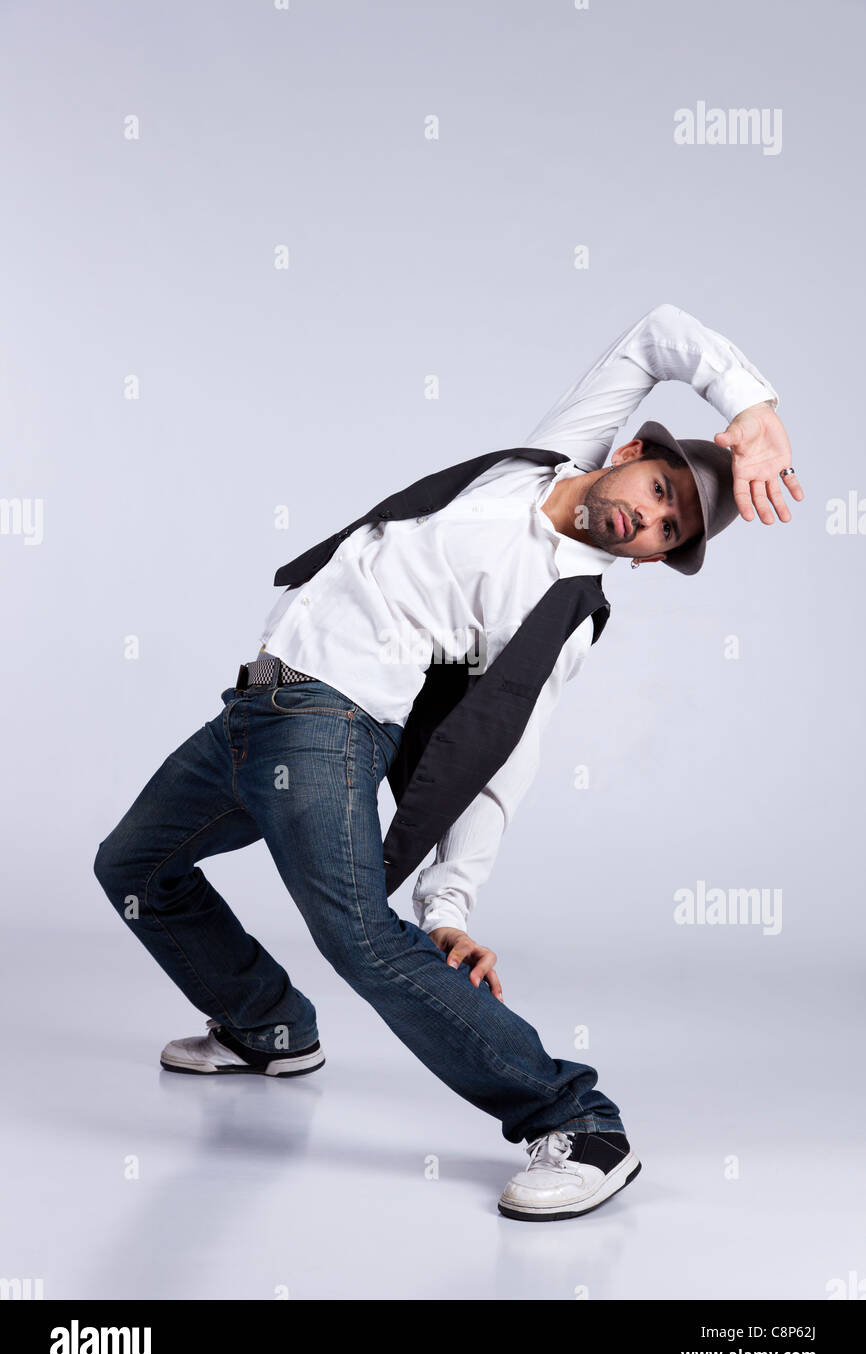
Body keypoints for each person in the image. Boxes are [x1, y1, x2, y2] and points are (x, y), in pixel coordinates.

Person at [93, 303, 798, 1221]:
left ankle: (580, 1121)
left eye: (669, 533)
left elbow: (504, 744)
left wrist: (452, 902)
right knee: (135, 865)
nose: (648, 522)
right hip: (255, 709)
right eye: (663, 493)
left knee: (360, 937)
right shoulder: (550, 458)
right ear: (630, 455)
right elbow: (657, 332)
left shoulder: (563, 604)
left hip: (329, 722)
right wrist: (753, 410)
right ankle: (268, 1024)